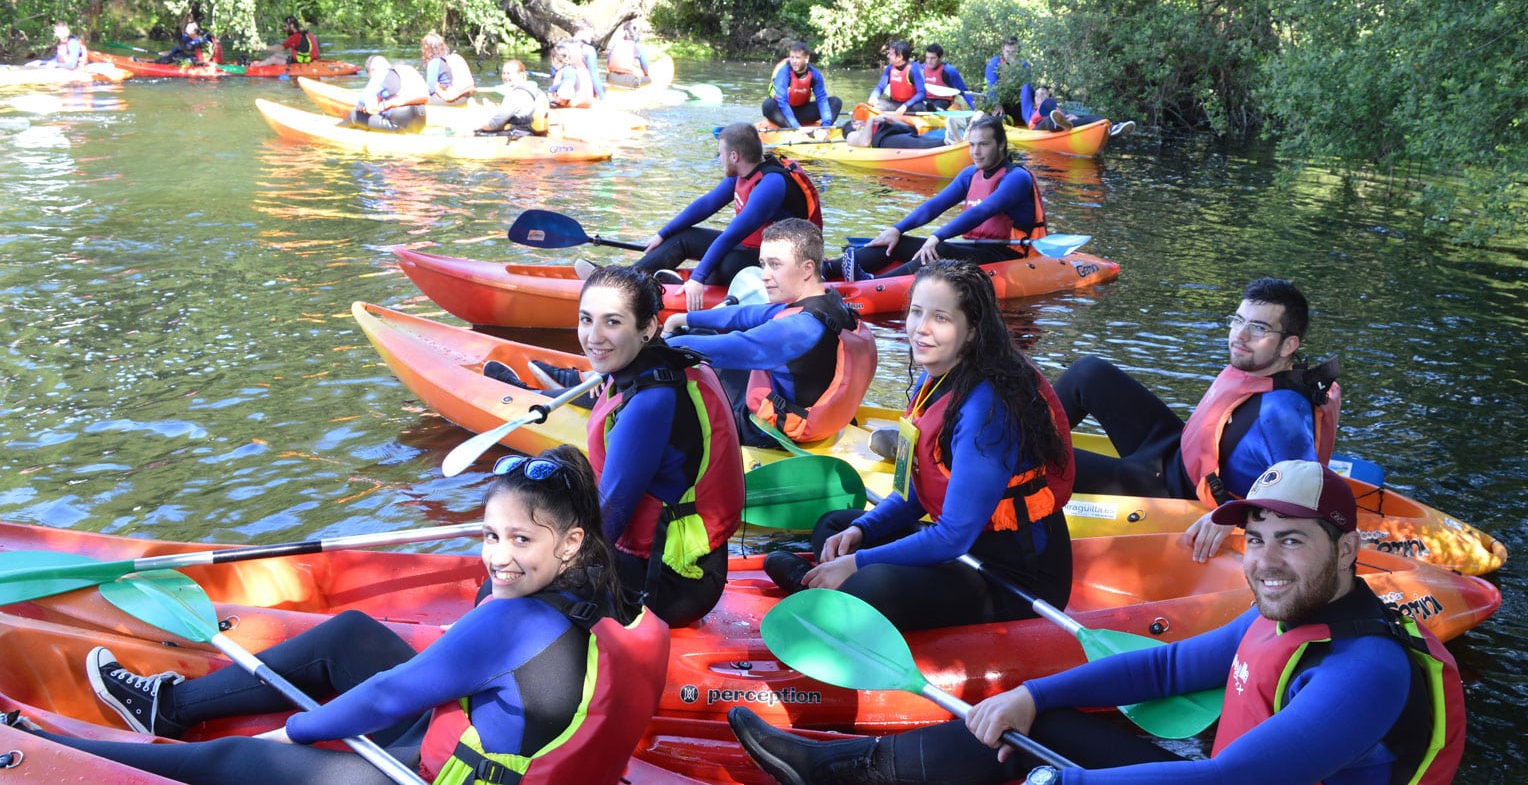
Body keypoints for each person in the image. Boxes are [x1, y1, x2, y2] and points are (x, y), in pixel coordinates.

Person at [729, 459, 1465, 785]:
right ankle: (843, 770)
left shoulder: (1367, 668)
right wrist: (1031, 697)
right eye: (1258, 538)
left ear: (1348, 550)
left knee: (1040, 758)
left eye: (1294, 540)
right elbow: (1168, 668)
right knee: (1031, 729)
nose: (1266, 562)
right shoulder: (1289, 613)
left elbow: (1236, 777)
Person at [6, 445, 671, 785]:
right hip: (489, 743)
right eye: (491, 535)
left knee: (237, 760)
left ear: (571, 541)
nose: (498, 557)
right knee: (353, 634)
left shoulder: (511, 623)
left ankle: (51, 747)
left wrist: (292, 735)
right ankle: (167, 709)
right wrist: (516, 558)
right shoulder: (601, 590)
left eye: (521, 541)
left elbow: (387, 694)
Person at [761, 260, 1075, 632]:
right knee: (837, 528)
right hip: (966, 553)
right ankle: (825, 590)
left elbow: (953, 536)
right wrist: (862, 531)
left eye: (940, 318)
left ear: (972, 330)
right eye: (916, 312)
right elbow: (916, 489)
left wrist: (858, 565)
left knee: (870, 581)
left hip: (1015, 578)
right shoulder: (938, 376)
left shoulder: (986, 410)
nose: (920, 329)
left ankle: (819, 589)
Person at [1051, 277, 1341, 561]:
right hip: (1177, 452)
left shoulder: (1282, 413)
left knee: (1040, 457)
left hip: (1176, 491)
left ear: (1289, 345)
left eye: (1259, 328)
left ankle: (1015, 458)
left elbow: (1306, 493)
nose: (1240, 335)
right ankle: (1016, 426)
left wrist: (1232, 517)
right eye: (1238, 320)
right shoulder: (1257, 368)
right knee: (1088, 373)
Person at [569, 267, 746, 627]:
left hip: (669, 584)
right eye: (586, 319)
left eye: (612, 323)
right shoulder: (666, 365)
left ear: (648, 328)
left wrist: (547, 565)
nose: (593, 336)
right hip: (693, 567)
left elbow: (608, 522)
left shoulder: (651, 403)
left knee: (511, 584)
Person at [662, 218, 877, 446]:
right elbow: (747, 314)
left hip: (770, 432)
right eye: (763, 263)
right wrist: (684, 317)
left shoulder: (797, 329)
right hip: (817, 414)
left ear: (807, 269)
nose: (764, 274)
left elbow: (727, 347)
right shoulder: (829, 302)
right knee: (699, 330)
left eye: (775, 265)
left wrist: (653, 348)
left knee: (688, 359)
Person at [621, 123, 823, 311]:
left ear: (734, 156)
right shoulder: (743, 174)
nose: (719, 159)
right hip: (747, 247)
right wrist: (662, 234)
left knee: (726, 265)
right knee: (683, 238)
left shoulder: (771, 185)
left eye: (721, 154)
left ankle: (682, 288)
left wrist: (698, 277)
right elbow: (706, 204)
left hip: (770, 260)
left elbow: (731, 235)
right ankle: (625, 279)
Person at [839, 116, 1047, 280]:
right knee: (898, 242)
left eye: (983, 144)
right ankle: (829, 268)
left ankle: (872, 283)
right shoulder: (970, 174)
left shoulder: (1016, 178)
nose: (976, 152)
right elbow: (934, 206)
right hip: (976, 248)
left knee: (934, 251)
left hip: (1008, 255)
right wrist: (897, 228)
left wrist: (937, 236)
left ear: (1001, 145)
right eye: (972, 145)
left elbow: (983, 210)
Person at [762, 41, 842, 133]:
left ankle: (823, 130)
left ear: (806, 59)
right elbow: (782, 102)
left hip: (802, 112)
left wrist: (826, 124)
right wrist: (796, 127)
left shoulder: (815, 74)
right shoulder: (784, 72)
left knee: (836, 101)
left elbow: (822, 99)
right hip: (783, 113)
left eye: (798, 58)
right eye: (792, 57)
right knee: (767, 105)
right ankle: (792, 129)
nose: (794, 61)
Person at [347, 54, 430, 132]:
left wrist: (360, 108)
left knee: (353, 116)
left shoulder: (382, 73)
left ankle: (337, 131)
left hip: (398, 123)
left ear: (373, 69)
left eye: (371, 76)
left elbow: (363, 101)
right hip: (421, 122)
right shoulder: (407, 70)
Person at [475, 59, 548, 136]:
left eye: (509, 73)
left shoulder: (515, 96)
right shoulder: (534, 89)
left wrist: (476, 126)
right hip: (531, 130)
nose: (506, 76)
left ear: (521, 74)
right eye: (504, 73)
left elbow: (494, 125)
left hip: (521, 133)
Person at [840, 113, 965, 149]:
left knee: (917, 137)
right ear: (853, 125)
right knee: (913, 142)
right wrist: (872, 120)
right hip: (885, 139)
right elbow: (864, 142)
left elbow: (911, 129)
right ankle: (947, 142)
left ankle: (959, 137)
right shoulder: (852, 134)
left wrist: (891, 118)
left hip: (894, 130)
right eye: (855, 121)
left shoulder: (869, 124)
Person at [869, 39, 928, 115]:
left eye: (890, 54)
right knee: (874, 106)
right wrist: (873, 96)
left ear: (900, 57)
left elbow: (922, 93)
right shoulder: (890, 68)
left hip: (911, 105)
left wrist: (905, 105)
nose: (888, 56)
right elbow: (880, 87)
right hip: (895, 104)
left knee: (919, 107)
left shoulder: (914, 68)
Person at [420, 31, 475, 104]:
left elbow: (430, 89)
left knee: (418, 100)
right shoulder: (447, 59)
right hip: (465, 98)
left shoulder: (434, 62)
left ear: (427, 49)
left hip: (452, 100)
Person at [921, 42, 974, 109]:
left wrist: (974, 108)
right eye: (927, 58)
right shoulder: (921, 69)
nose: (929, 61)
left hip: (943, 101)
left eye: (933, 58)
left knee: (932, 109)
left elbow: (964, 91)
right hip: (926, 100)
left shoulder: (949, 71)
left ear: (940, 58)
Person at [548, 39, 596, 108]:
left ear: (555, 60)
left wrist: (551, 89)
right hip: (588, 103)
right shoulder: (582, 70)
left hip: (573, 104)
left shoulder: (562, 72)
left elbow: (567, 82)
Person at [606, 22, 651, 88]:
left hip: (611, 78)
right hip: (630, 81)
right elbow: (644, 66)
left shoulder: (615, 44)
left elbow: (608, 62)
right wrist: (646, 75)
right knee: (649, 80)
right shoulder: (638, 46)